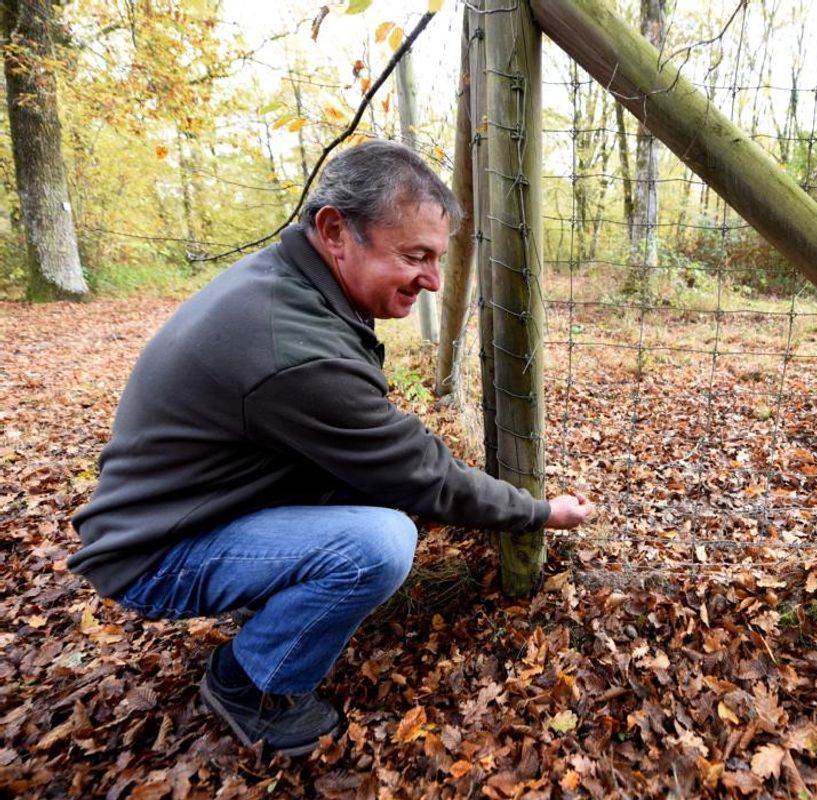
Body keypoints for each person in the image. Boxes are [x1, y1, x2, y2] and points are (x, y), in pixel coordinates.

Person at [68, 140, 594, 757]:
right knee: (377, 543)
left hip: (188, 510)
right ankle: (252, 684)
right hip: (155, 553)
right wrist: (539, 512)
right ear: (335, 230)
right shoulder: (293, 346)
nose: (431, 280)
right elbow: (422, 472)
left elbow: (390, 461)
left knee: (382, 502)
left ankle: (270, 608)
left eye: (437, 258)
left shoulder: (293, 285)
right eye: (415, 256)